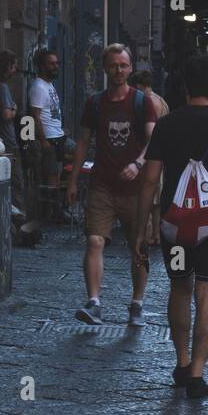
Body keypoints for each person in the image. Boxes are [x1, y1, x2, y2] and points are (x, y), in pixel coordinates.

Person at [134, 54, 208, 398]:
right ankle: (198, 373)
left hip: (175, 226)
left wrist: (143, 229)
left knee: (180, 288)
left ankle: (182, 361)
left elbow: (149, 179)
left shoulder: (167, 125)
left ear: (184, 87)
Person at [67, 44, 158, 326]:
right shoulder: (95, 103)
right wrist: (73, 180)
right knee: (94, 240)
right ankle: (94, 302)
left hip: (136, 189)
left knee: (138, 247)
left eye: (123, 65)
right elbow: (83, 142)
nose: (118, 70)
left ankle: (137, 302)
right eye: (113, 65)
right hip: (102, 184)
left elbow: (154, 140)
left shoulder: (143, 102)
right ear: (105, 68)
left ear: (130, 68)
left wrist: (138, 164)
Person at [130, 70, 170, 245]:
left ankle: (146, 234)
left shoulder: (148, 103)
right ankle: (156, 233)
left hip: (149, 155)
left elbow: (148, 134)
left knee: (145, 195)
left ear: (139, 86)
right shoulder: (162, 101)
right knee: (157, 199)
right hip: (161, 153)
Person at [0, 50, 26, 222]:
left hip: (1, 140)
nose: (16, 69)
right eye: (14, 65)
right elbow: (6, 115)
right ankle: (19, 225)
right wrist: (15, 109)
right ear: (7, 66)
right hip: (8, 143)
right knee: (16, 184)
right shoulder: (2, 87)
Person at [29, 49, 68, 197]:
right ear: (42, 66)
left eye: (56, 63)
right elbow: (35, 116)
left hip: (58, 135)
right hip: (50, 139)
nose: (56, 66)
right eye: (51, 64)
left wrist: (61, 128)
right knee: (53, 177)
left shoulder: (49, 85)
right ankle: (55, 211)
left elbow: (51, 112)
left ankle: (62, 203)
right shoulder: (38, 87)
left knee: (78, 158)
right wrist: (44, 141)